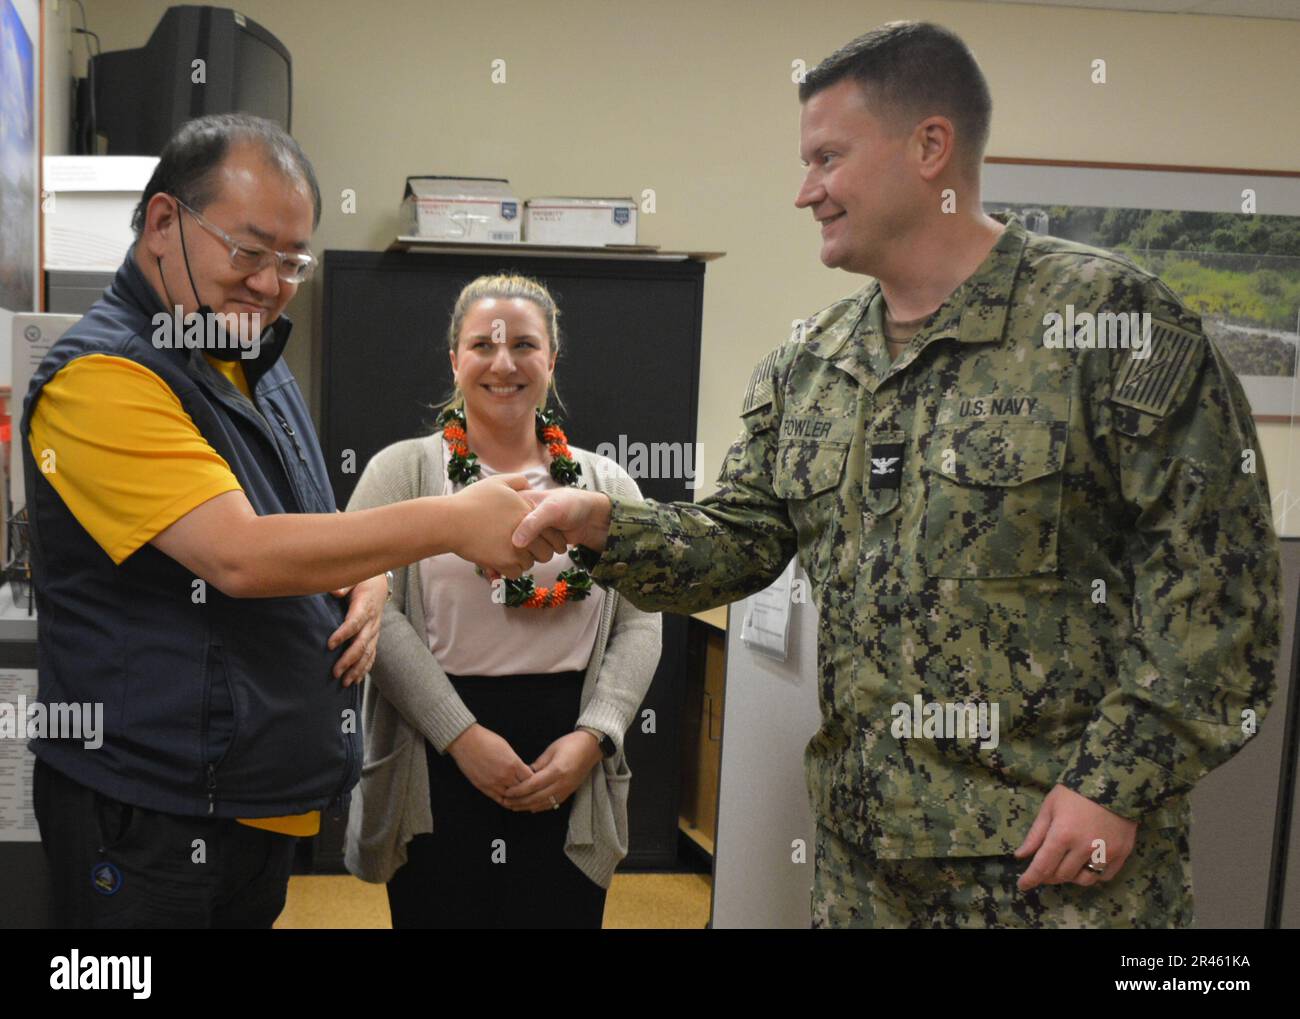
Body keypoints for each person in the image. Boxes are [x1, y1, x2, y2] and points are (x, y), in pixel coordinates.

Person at [512, 21, 1281, 928]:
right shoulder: (812, 362)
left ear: (930, 147)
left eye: (828, 158)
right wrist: (600, 520)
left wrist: (1113, 784)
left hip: (1053, 867)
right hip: (863, 863)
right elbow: (737, 544)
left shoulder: (1113, 328)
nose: (806, 192)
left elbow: (1221, 601)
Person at [21, 115, 556, 929]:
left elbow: (312, 526)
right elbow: (239, 554)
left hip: (251, 804)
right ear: (164, 223)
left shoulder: (249, 359)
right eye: (249, 251)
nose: (271, 284)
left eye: (293, 262)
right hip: (147, 816)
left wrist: (370, 579)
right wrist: (450, 523)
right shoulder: (99, 379)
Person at [342, 274, 660, 928]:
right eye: (482, 344)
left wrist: (595, 736)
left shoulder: (606, 483)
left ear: (552, 358)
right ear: (455, 359)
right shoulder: (400, 473)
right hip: (435, 752)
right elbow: (379, 615)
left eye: (525, 343)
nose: (504, 361)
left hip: (569, 749)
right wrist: (460, 735)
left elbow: (641, 621)